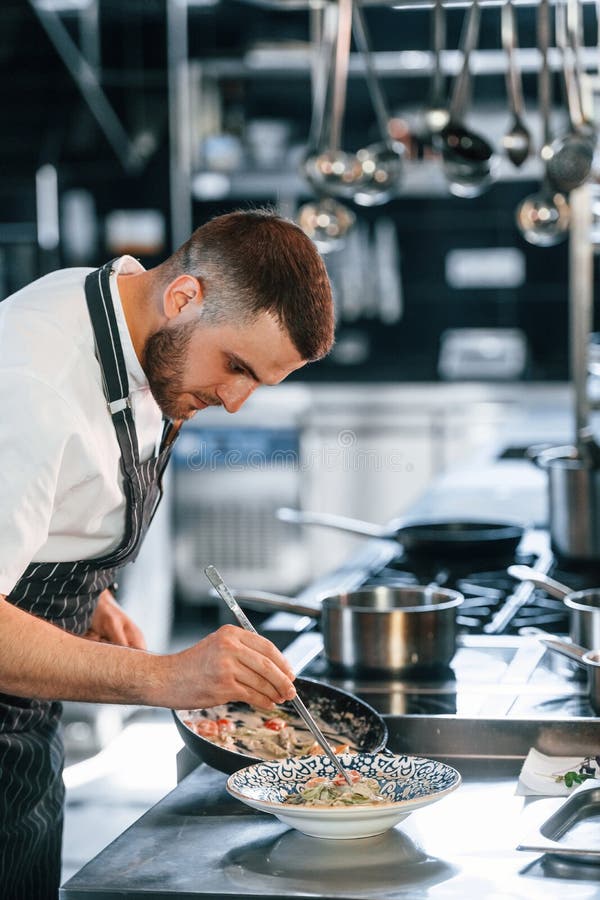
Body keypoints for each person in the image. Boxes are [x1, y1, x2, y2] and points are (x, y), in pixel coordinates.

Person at [0, 208, 335, 899]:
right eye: (236, 367)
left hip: (25, 726)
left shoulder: (134, 325)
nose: (236, 402)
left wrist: (82, 596)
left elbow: (57, 490)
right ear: (184, 296)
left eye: (259, 384)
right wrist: (162, 677)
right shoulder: (30, 381)